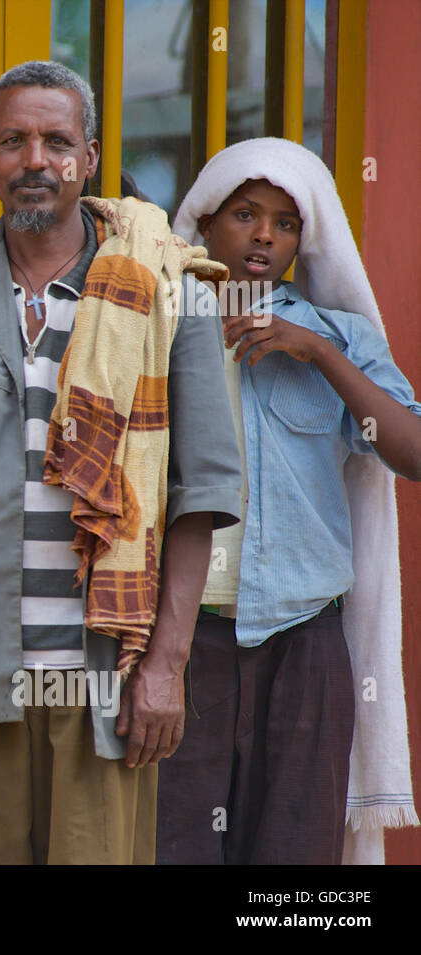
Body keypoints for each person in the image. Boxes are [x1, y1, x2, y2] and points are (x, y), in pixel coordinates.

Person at [0, 60, 244, 864]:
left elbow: (202, 494)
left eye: (56, 140)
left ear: (90, 155)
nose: (35, 160)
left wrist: (166, 666)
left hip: (105, 676)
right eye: (13, 141)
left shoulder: (165, 293)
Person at [159, 137, 421, 865]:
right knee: (172, 842)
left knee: (294, 862)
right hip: (184, 642)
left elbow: (412, 452)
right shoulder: (154, 329)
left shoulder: (339, 335)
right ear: (206, 223)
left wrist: (320, 354)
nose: (264, 236)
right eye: (245, 214)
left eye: (285, 221)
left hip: (306, 644)